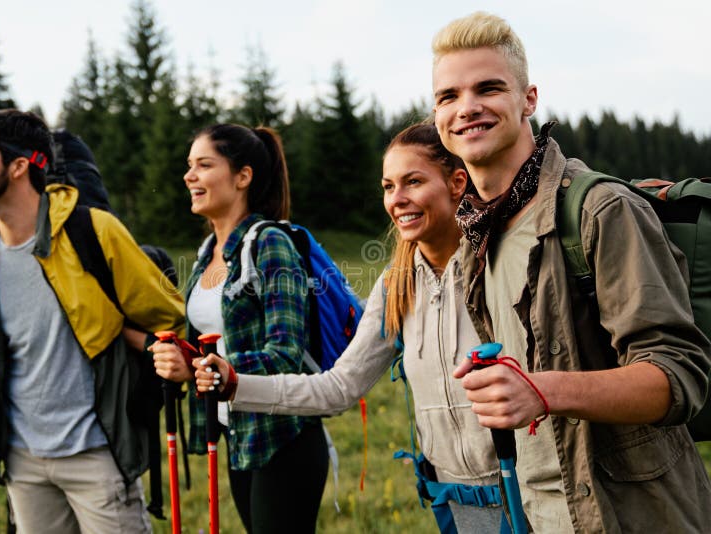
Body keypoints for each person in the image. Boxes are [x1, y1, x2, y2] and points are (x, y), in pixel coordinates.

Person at [430, 11, 711, 532]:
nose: (467, 108)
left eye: (488, 88)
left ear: (529, 99)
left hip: (637, 517)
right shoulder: (476, 233)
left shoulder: (599, 210)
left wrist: (541, 390)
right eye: (448, 96)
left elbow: (679, 377)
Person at [188, 123, 508, 533]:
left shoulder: (498, 263)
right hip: (452, 493)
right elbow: (338, 388)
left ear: (457, 182)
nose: (398, 199)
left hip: (522, 483)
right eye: (388, 186)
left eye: (413, 182)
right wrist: (236, 385)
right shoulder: (396, 285)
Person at [0, 107, 186, 533]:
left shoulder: (94, 232)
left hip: (96, 455)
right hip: (23, 462)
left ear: (19, 166)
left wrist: (176, 361)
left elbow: (167, 316)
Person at [150, 123, 329, 534]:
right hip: (237, 432)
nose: (189, 176)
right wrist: (180, 356)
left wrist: (198, 365)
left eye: (204, 165)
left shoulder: (269, 243)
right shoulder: (206, 253)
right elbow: (205, 344)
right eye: (188, 165)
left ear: (242, 177)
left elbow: (284, 352)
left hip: (284, 436)